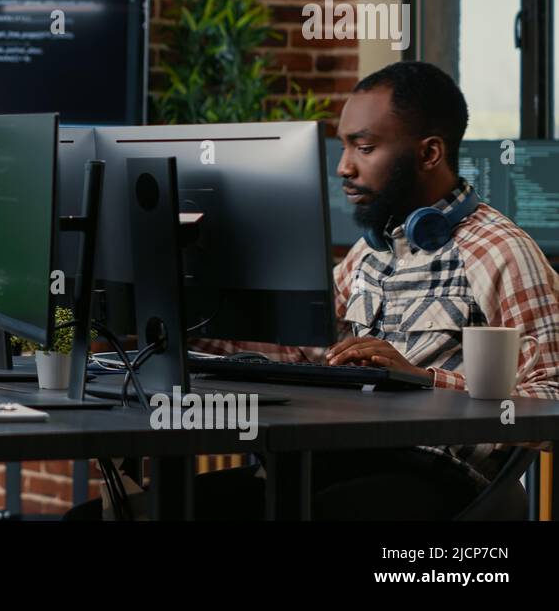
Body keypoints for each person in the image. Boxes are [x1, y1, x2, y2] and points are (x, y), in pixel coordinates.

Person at [189, 61, 559, 520]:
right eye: (345, 146)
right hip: (338, 457)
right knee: (129, 511)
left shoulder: (503, 252)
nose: (344, 167)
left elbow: (551, 402)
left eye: (364, 147)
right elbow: (300, 352)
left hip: (432, 476)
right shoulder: (372, 252)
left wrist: (421, 382)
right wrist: (182, 321)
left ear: (429, 154)